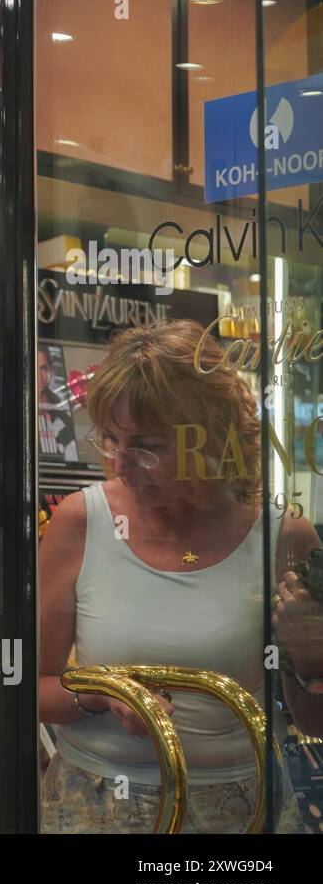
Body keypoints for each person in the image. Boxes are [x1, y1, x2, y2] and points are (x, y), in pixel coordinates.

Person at [39, 319, 320, 833]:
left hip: (243, 810)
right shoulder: (82, 521)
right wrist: (102, 696)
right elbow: (26, 685)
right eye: (110, 439)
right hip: (98, 804)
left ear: (210, 437)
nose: (121, 464)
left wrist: (312, 657)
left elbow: (315, 720)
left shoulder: (283, 537)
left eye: (147, 445)